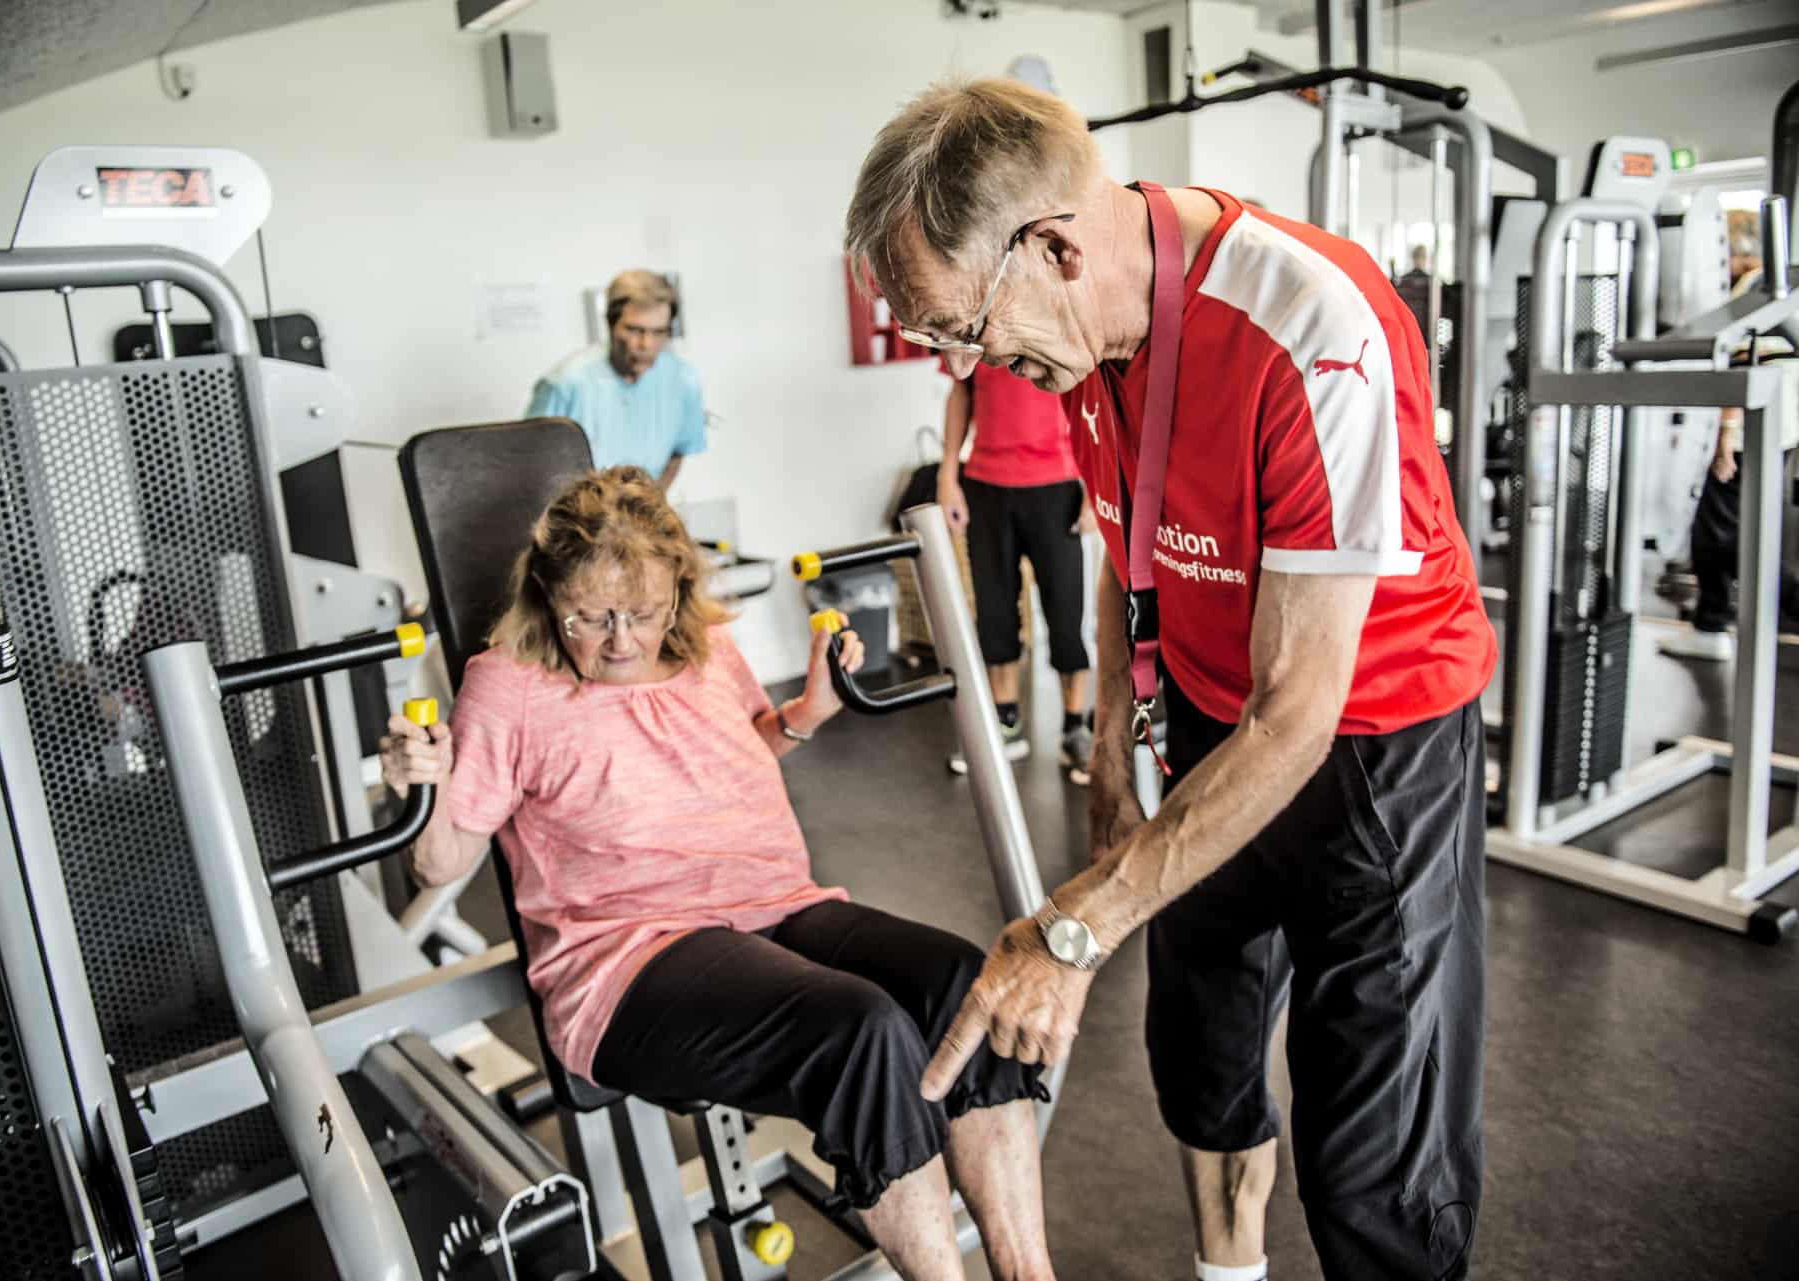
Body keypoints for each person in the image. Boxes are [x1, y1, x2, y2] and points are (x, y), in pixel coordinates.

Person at [845, 79, 1496, 1281]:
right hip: (1200, 714)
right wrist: (1112, 765)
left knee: (1370, 1160)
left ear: (1053, 245)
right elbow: (1127, 536)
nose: (977, 363)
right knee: (1203, 1058)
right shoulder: (1086, 333)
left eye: (968, 330)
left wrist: (1079, 924)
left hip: (1369, 746)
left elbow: (1299, 710)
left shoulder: (1316, 326)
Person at [381, 466, 1056, 1281]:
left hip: (778, 901)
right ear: (548, 597)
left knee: (962, 985)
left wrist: (805, 714)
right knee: (862, 1031)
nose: (621, 639)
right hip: (629, 955)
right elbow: (441, 859)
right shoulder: (507, 684)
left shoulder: (706, 645)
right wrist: (422, 785)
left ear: (677, 591)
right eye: (591, 617)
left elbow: (739, 746)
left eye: (643, 612)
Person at [935, 358, 1094, 781]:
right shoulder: (971, 326)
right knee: (994, 616)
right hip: (986, 487)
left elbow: (1095, 401)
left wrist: (1096, 487)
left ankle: (1075, 728)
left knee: (1065, 617)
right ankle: (1006, 723)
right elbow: (960, 393)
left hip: (1056, 487)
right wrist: (948, 473)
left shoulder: (1057, 316)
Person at [1659, 212, 1797, 661]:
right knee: (1738, 525)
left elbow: (1747, 361)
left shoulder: (1754, 289)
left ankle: (1714, 624)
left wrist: (1725, 439)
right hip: (1782, 424)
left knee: (1716, 532)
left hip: (1755, 423)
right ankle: (1711, 623)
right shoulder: (1782, 287)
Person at [525, 270, 706, 489]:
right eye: (634, 330)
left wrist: (652, 506)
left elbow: (679, 450)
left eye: (659, 332)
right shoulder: (565, 383)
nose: (646, 344)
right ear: (611, 324)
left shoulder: (682, 380)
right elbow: (532, 463)